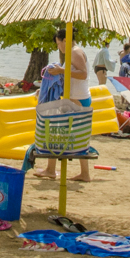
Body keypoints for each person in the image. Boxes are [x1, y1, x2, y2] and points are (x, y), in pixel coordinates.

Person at [33, 31, 90, 183]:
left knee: (55, 130)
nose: (59, 47)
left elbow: (83, 74)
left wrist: (61, 70)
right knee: (77, 136)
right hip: (78, 98)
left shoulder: (75, 52)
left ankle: (51, 169)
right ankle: (84, 173)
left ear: (66, 40)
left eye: (59, 43)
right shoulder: (74, 52)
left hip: (78, 99)